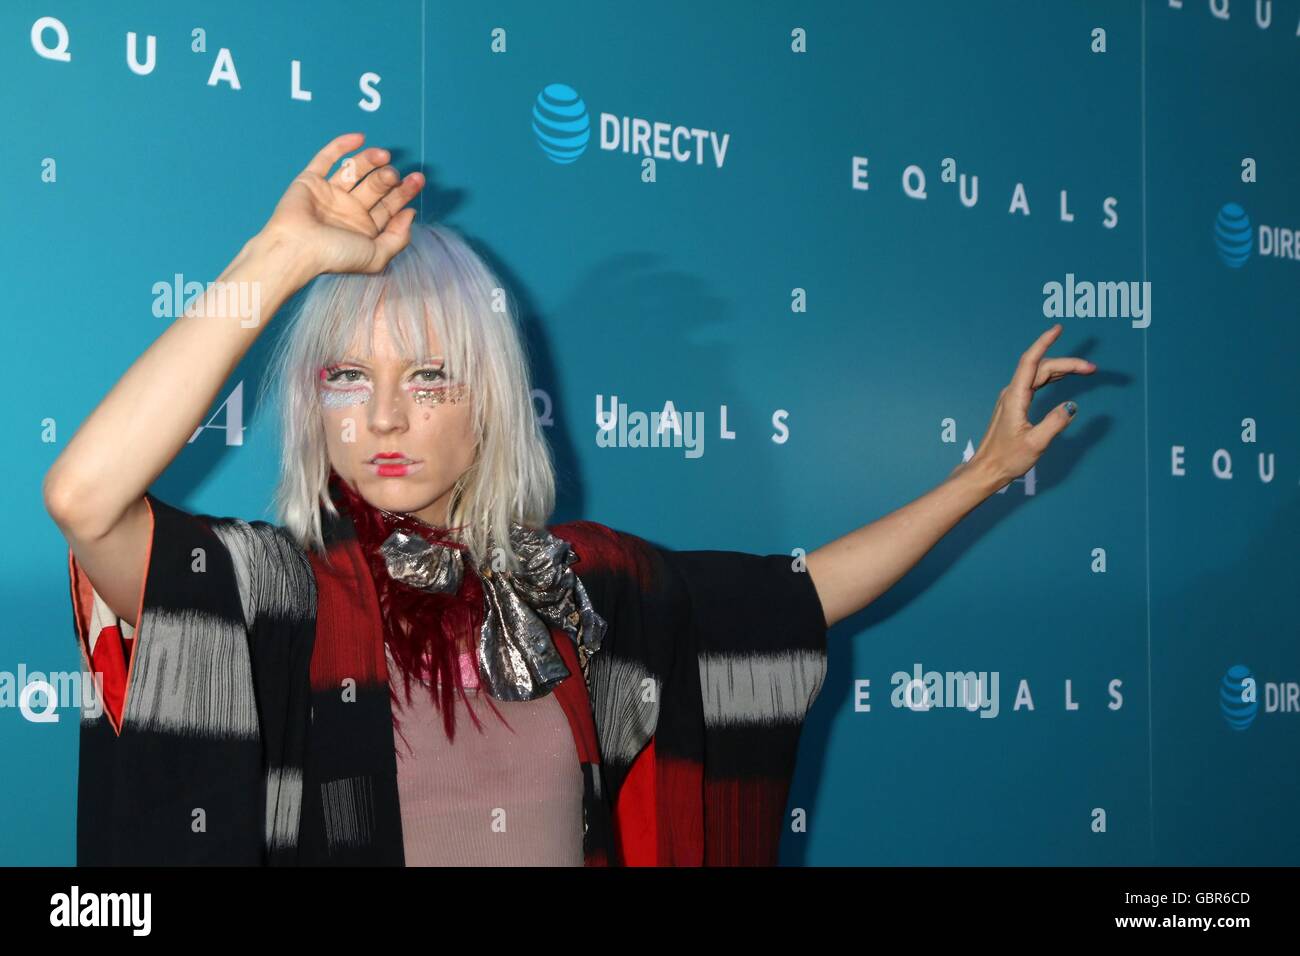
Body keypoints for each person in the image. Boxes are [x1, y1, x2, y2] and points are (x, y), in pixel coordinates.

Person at [44, 132, 1096, 867]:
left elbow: (800, 592)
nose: (385, 418)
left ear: (490, 407)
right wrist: (278, 260)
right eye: (347, 379)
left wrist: (983, 475)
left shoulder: (575, 588)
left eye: (429, 377)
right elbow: (85, 497)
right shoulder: (280, 593)